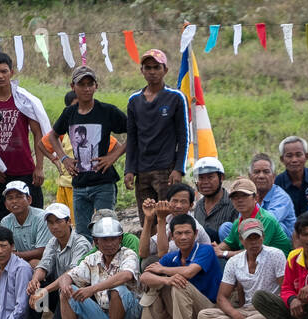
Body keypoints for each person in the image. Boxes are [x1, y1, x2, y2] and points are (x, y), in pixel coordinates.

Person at [132, 213, 224, 319]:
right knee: (158, 283)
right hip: (188, 315)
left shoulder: (205, 250)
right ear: (172, 237)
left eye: (187, 233)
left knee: (179, 282)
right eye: (178, 233)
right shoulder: (172, 257)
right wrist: (164, 280)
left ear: (195, 234)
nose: (183, 237)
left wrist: (164, 271)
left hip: (210, 313)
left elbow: (189, 272)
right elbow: (144, 277)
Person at [50, 65, 128, 241]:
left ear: (96, 86)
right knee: (83, 234)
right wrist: (64, 158)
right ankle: (87, 265)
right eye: (81, 84)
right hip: (79, 183)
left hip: (103, 182)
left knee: (105, 228)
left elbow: (134, 131)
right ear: (73, 87)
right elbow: (53, 136)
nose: (86, 88)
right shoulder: (69, 113)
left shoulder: (106, 111)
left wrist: (113, 156)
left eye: (90, 84)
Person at [0, 52, 52, 221]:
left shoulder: (24, 100)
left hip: (25, 169)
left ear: (11, 73)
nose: (0, 76)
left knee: (35, 215)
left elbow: (38, 133)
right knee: (2, 218)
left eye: (4, 71)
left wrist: (39, 167)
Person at [54, 215, 143, 319]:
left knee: (117, 289)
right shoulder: (93, 259)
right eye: (104, 240)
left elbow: (126, 276)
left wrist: (92, 289)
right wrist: (65, 284)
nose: (109, 243)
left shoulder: (128, 254)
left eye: (113, 239)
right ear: (96, 242)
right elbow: (69, 275)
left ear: (120, 239)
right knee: (66, 292)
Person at [195, 218, 285, 319]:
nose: (254, 242)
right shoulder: (234, 261)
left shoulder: (276, 254)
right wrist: (234, 314)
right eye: (249, 238)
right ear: (242, 240)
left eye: (257, 237)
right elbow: (221, 297)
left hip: (268, 310)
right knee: (203, 317)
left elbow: (285, 288)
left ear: (263, 237)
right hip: (246, 310)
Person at [124, 49, 188, 205]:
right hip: (142, 170)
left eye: (156, 67)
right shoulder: (134, 100)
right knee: (147, 218)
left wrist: (178, 168)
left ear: (165, 70)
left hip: (166, 169)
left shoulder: (175, 97)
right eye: (148, 68)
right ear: (142, 71)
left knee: (168, 218)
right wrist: (129, 169)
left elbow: (184, 137)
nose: (152, 72)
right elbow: (132, 138)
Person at [28, 202, 92, 319]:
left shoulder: (81, 243)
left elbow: (71, 275)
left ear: (69, 221)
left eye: (58, 221)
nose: (54, 226)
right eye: (50, 223)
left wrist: (45, 291)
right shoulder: (53, 242)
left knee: (67, 287)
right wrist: (35, 280)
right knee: (38, 284)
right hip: (58, 293)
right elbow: (44, 265)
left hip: (80, 295)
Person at [218, 178, 292, 257]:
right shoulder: (238, 222)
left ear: (256, 198)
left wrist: (224, 253)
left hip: (278, 264)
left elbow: (256, 250)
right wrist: (214, 250)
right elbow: (228, 243)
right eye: (235, 197)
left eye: (244, 196)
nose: (239, 200)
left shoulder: (265, 219)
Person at [140, 183, 211, 261]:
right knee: (146, 261)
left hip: (196, 267)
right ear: (168, 202)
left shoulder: (193, 227)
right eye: (174, 201)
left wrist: (161, 219)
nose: (178, 206)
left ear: (191, 205)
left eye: (183, 202)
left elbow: (164, 255)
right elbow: (143, 253)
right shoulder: (171, 222)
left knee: (151, 262)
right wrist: (148, 219)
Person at [0, 180, 51, 271]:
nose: (14, 201)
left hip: (45, 261)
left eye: (19, 197)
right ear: (6, 205)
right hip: (20, 261)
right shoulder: (5, 222)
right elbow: (10, 250)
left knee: (33, 263)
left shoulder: (41, 217)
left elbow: (42, 251)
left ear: (29, 199)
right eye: (10, 198)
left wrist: (11, 256)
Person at [248, 153, 297, 238]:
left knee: (277, 226)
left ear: (274, 177)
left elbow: (268, 221)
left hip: (280, 246)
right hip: (252, 236)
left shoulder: (281, 197)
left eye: (266, 172)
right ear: (250, 177)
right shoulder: (248, 194)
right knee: (226, 227)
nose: (261, 176)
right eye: (257, 172)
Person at [276, 136, 308, 216]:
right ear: (282, 159)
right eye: (289, 156)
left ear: (306, 156)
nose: (294, 160)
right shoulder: (277, 184)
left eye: (298, 155)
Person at [190, 156, 235, 238]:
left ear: (221, 178)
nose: (205, 182)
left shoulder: (234, 204)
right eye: (201, 178)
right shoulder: (199, 206)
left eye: (210, 177)